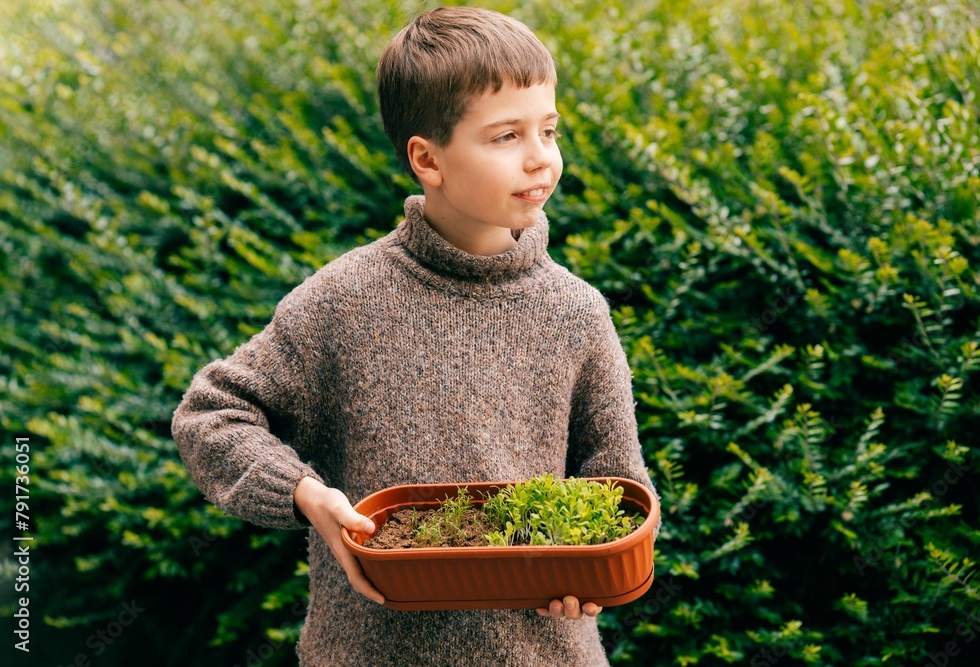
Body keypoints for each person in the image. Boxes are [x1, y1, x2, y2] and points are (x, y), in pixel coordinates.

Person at [171, 5, 659, 665]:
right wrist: (305, 493)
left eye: (548, 130)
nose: (541, 158)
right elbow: (211, 413)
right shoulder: (345, 300)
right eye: (506, 136)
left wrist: (592, 573)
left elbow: (617, 482)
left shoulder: (576, 311)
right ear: (428, 160)